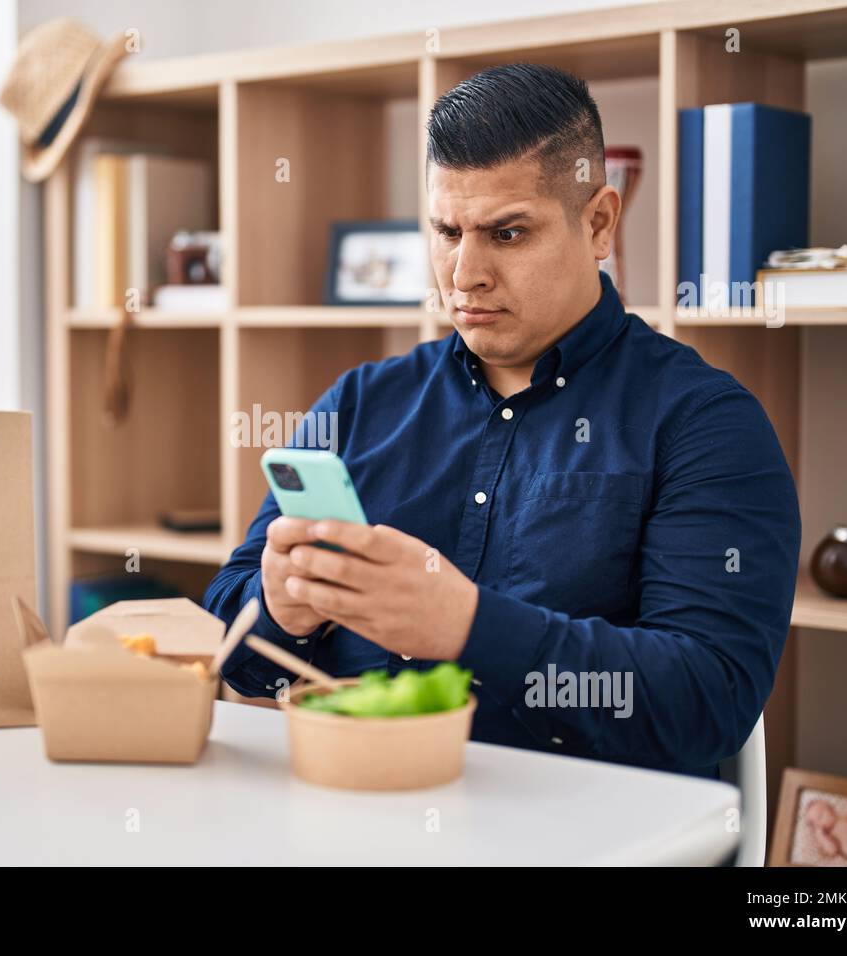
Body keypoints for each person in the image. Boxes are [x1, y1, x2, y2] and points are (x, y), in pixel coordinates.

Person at [204, 63, 800, 778]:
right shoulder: (360, 404)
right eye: (447, 231)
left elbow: (708, 702)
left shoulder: (706, 424)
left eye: (507, 234)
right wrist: (279, 606)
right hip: (352, 806)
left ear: (600, 222)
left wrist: (467, 626)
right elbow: (235, 659)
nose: (464, 274)